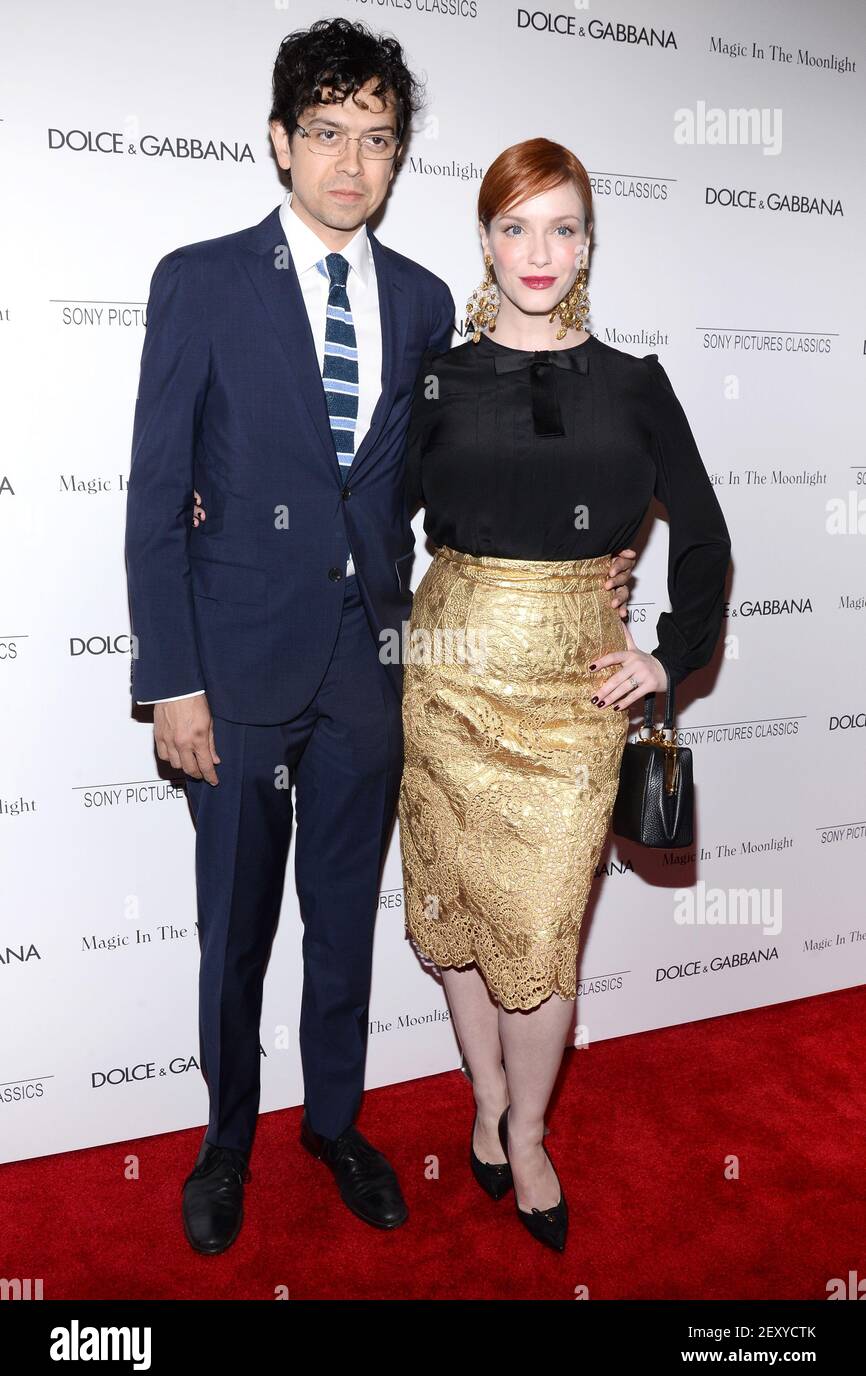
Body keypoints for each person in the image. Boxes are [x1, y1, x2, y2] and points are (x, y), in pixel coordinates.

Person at [125, 17, 640, 1255]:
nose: (351, 162)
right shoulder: (198, 279)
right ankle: (226, 1142)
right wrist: (172, 680)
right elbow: (153, 494)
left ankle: (336, 1125)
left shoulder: (417, 303)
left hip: (375, 665)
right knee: (233, 927)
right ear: (278, 142)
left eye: (376, 138)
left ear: (397, 155)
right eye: (326, 134)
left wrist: (587, 557)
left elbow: (451, 469)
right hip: (235, 669)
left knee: (344, 915)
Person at [397, 137, 732, 1251]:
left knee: (539, 937)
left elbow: (705, 537)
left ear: (588, 240)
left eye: (562, 226)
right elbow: (360, 509)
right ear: (484, 240)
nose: (537, 251)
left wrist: (666, 659)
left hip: (574, 699)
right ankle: (487, 1104)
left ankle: (529, 1129)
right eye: (513, 225)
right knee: (456, 919)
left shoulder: (633, 384)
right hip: (445, 683)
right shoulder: (436, 375)